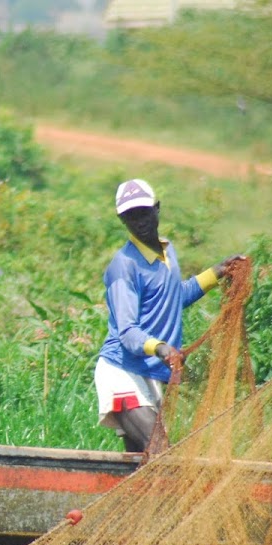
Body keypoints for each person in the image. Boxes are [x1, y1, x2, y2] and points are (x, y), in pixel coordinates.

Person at [95, 178, 244, 453]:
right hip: (122, 372)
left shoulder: (167, 250)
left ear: (157, 208)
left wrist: (217, 272)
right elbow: (127, 333)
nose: (139, 221)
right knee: (162, 453)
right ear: (122, 220)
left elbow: (175, 297)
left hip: (151, 374)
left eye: (144, 212)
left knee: (141, 465)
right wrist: (162, 348)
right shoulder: (123, 267)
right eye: (130, 216)